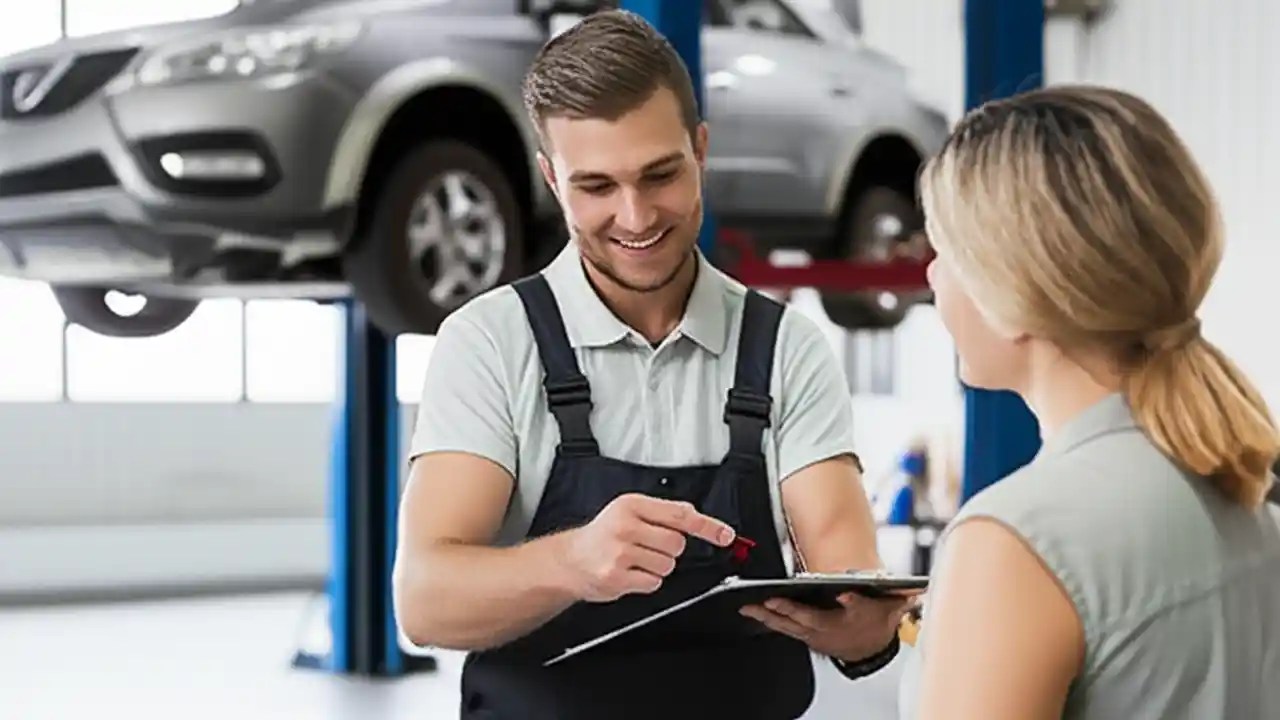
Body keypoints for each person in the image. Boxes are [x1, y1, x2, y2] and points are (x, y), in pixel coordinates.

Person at [391, 10, 909, 720]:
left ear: (700, 148)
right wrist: (572, 563)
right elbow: (424, 602)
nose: (635, 218)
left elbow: (852, 579)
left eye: (660, 174)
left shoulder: (786, 347)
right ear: (550, 177)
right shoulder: (488, 343)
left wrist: (862, 629)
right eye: (596, 187)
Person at [896, 84, 1280, 719]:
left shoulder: (1017, 540)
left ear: (1010, 291)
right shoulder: (1241, 489)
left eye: (945, 250)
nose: (932, 275)